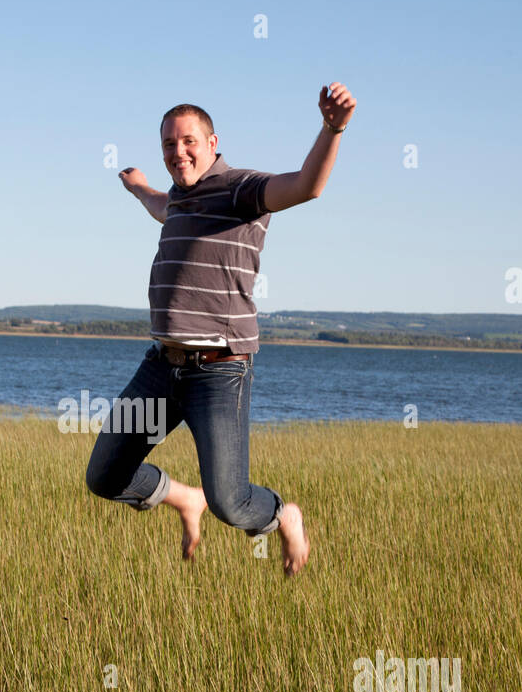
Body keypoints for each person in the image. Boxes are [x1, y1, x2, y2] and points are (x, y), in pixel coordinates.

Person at [85, 83, 357, 577]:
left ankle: (281, 514)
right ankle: (183, 498)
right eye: (169, 143)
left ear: (212, 143)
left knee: (231, 503)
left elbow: (305, 186)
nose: (178, 151)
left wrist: (332, 128)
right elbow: (158, 205)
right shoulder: (178, 199)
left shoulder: (240, 189)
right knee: (104, 476)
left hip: (218, 372)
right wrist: (137, 185)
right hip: (160, 368)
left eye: (188, 141)